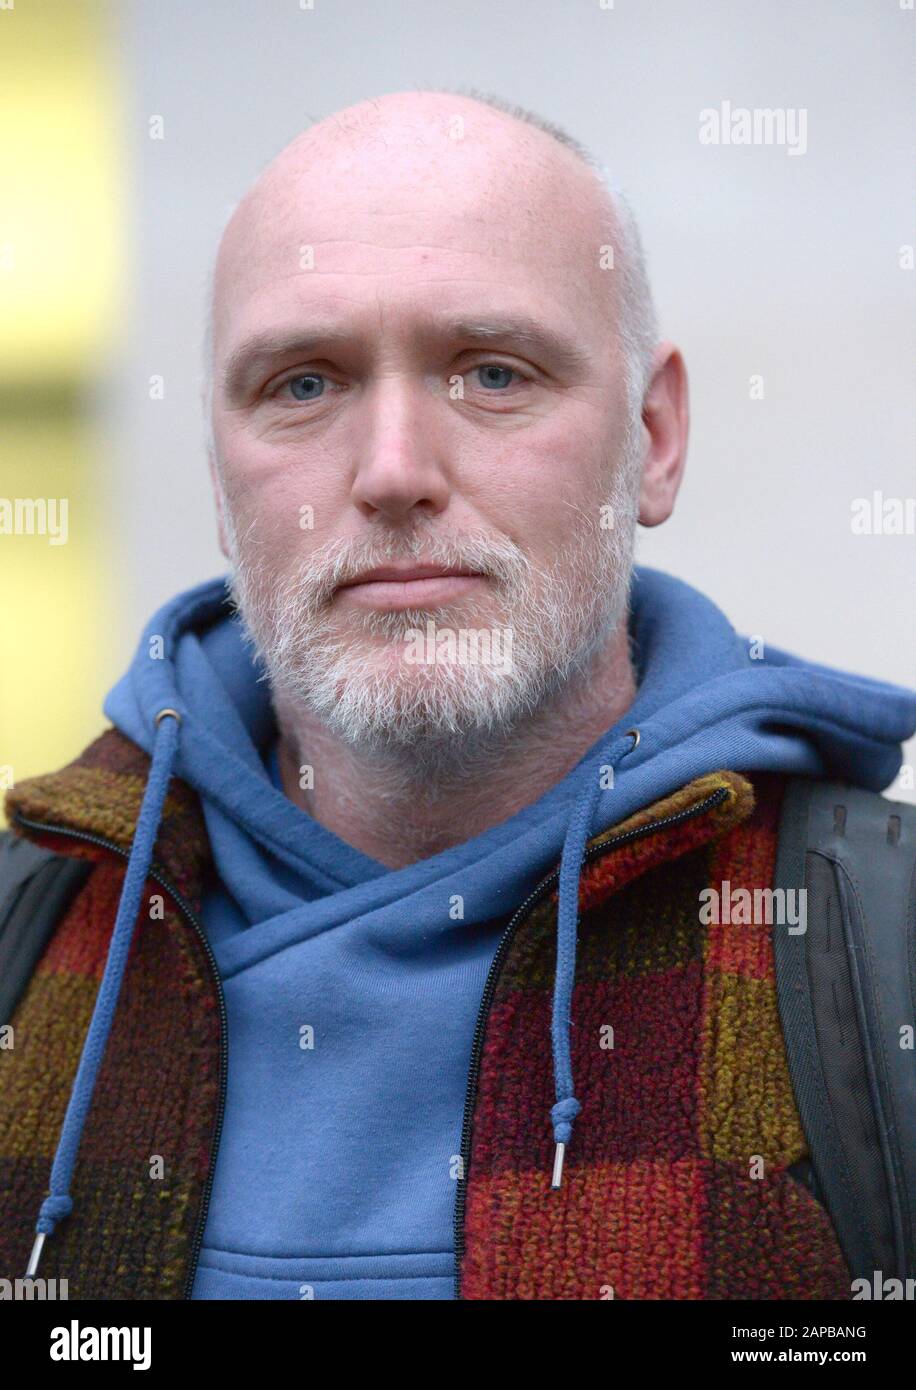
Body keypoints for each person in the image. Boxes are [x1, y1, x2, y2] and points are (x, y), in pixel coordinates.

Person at [2, 89, 914, 1301]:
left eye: (492, 372)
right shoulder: (29, 943)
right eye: (303, 385)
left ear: (652, 436)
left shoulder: (876, 963)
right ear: (219, 476)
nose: (391, 471)